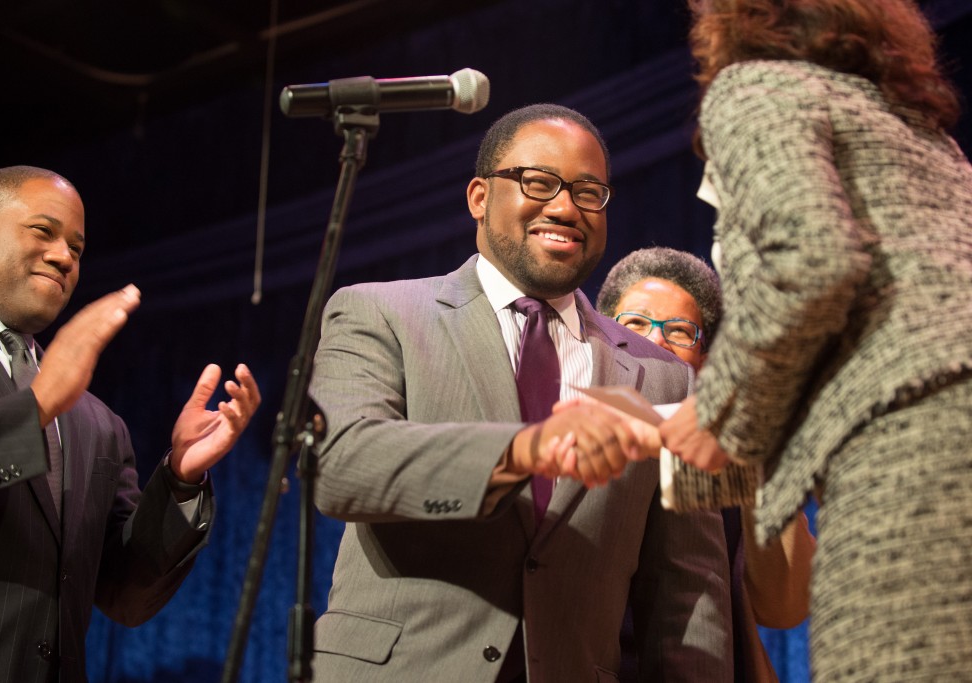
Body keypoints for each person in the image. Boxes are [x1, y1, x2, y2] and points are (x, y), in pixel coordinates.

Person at [308, 104, 734, 682]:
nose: (564, 207)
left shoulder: (664, 378)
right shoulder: (380, 313)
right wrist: (523, 450)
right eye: (538, 182)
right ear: (479, 197)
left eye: (589, 192)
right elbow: (342, 466)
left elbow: (689, 594)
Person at [657, 1, 972, 680]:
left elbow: (812, 265)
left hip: (906, 453)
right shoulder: (917, 130)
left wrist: (716, 412)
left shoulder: (756, 89)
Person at [0, 165, 261, 682]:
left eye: (77, 246)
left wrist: (180, 481)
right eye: (43, 231)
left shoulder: (96, 422)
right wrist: (38, 405)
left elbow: (125, 593)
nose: (63, 256)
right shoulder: (55, 397)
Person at [597, 246, 816, 682]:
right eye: (635, 323)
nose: (654, 341)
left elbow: (784, 607)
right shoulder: (565, 439)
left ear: (706, 361)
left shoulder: (730, 462)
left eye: (679, 331)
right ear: (602, 340)